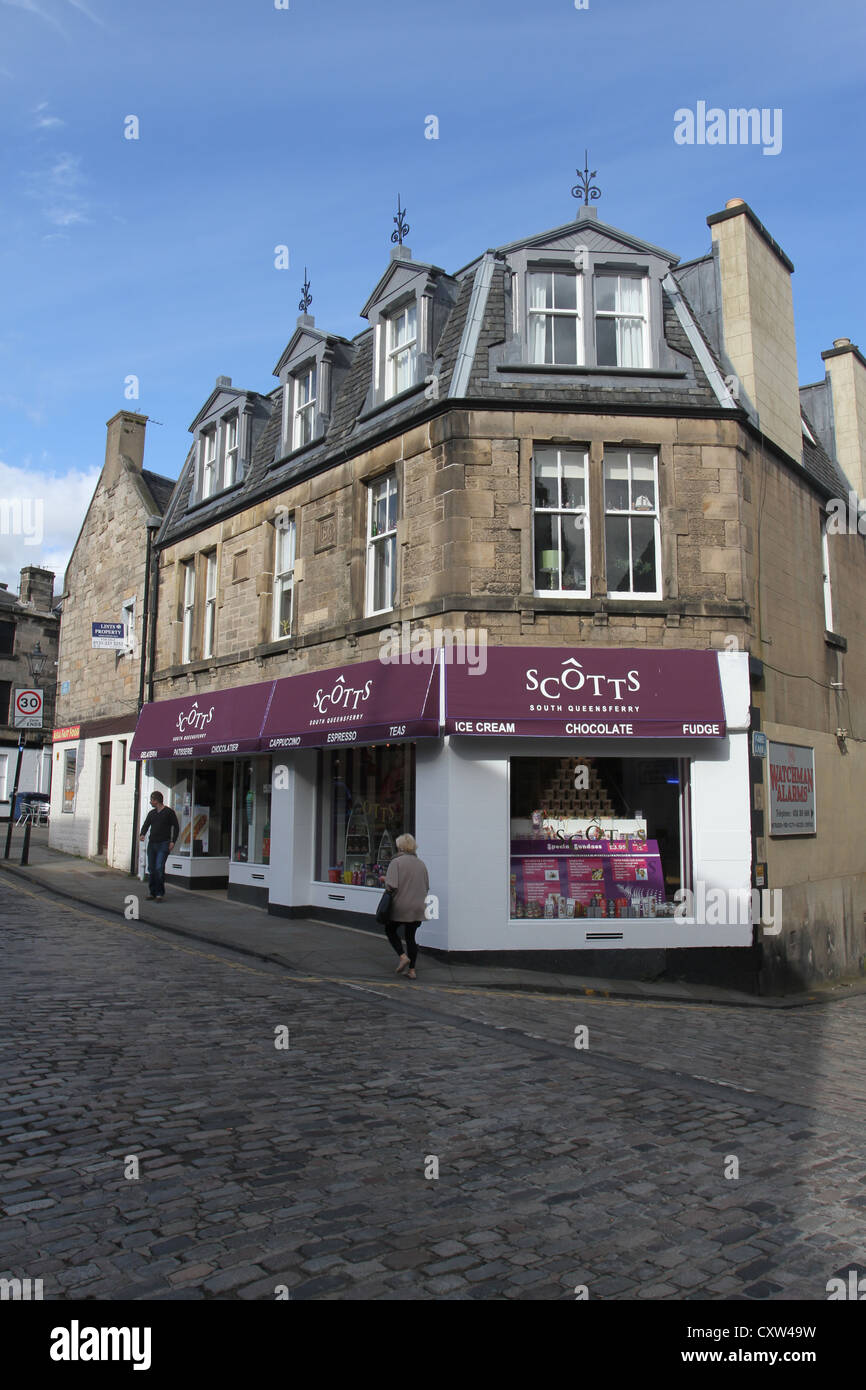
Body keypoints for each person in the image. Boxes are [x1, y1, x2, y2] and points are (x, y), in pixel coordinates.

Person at [384, 833, 430, 980]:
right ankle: (412, 970)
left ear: (401, 846)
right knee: (411, 937)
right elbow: (426, 886)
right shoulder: (421, 864)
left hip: (401, 905)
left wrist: (384, 879)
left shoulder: (396, 862)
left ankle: (403, 956)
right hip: (417, 906)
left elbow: (391, 885)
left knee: (390, 930)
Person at [138, 791, 180, 902]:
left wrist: (173, 841)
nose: (150, 802)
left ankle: (159, 894)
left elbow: (176, 827)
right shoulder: (152, 814)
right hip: (152, 843)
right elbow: (146, 825)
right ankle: (152, 892)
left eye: (151, 800)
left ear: (156, 800)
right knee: (151, 868)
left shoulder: (169, 812)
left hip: (163, 843)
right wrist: (142, 834)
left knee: (159, 868)